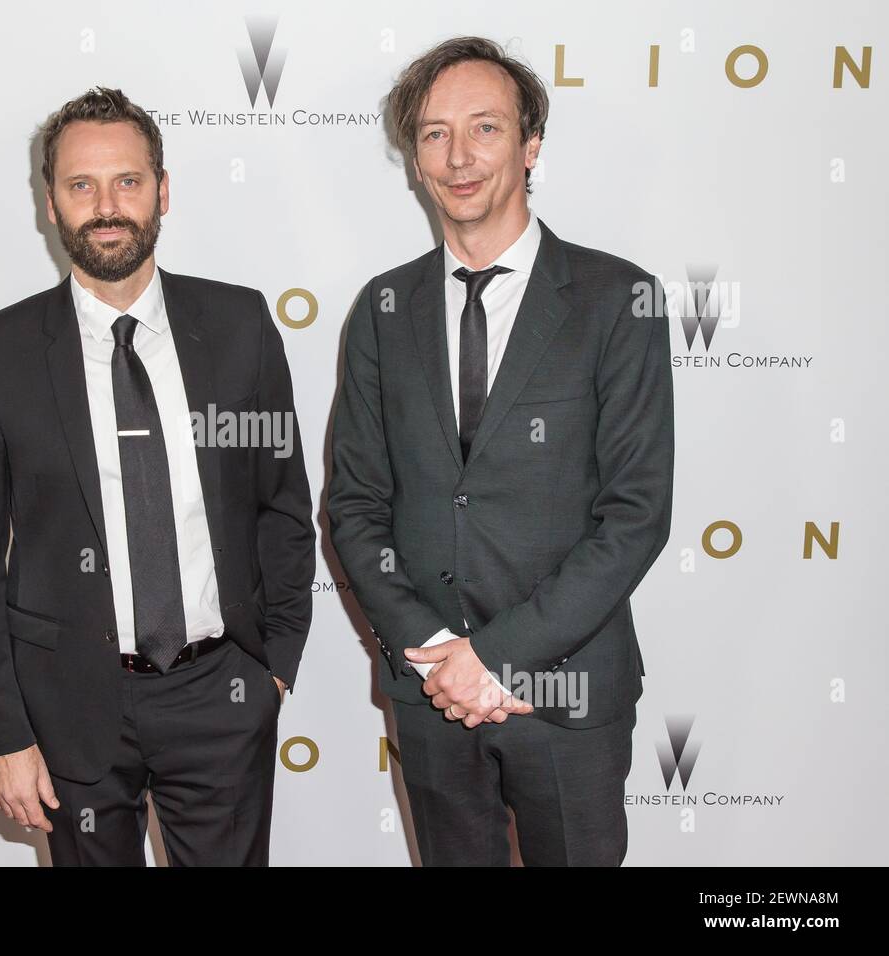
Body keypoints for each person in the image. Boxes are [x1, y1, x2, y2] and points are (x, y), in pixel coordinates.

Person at [0, 87, 315, 866]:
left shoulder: (240, 324)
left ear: (163, 191)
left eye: (128, 182)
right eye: (81, 185)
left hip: (221, 690)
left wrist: (274, 666)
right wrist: (4, 732)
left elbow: (283, 506)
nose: (106, 206)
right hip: (68, 701)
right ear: (50, 203)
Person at [328, 37, 674, 866]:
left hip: (565, 695)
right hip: (430, 696)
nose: (459, 156)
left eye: (485, 129)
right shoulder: (381, 309)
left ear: (531, 145)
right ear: (414, 158)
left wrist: (496, 657)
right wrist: (438, 657)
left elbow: (635, 514)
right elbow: (353, 504)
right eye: (436, 134)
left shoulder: (615, 299)